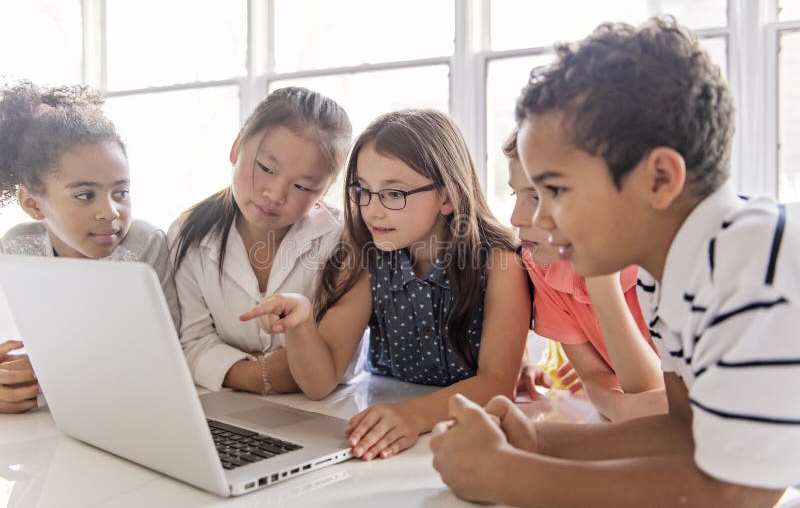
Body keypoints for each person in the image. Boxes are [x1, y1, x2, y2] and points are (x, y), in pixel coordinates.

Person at [431, 16, 798, 506]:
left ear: (660, 178)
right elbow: (685, 430)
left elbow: (739, 492)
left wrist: (506, 476)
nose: (538, 216)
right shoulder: (665, 274)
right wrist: (538, 441)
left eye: (555, 190)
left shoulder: (751, 267)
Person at [241, 109, 530, 461]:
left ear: (447, 198)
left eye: (393, 194)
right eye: (364, 191)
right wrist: (301, 321)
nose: (372, 211)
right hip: (381, 426)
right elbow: (320, 383)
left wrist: (413, 415)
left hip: (466, 436)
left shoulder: (501, 264)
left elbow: (498, 385)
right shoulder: (367, 256)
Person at [0, 81, 178, 413]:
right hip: (46, 415)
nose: (110, 211)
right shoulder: (16, 248)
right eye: (85, 195)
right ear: (33, 204)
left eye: (121, 192)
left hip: (128, 409)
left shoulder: (145, 246)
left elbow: (166, 355)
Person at [168, 86, 358, 395]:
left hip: (328, 411)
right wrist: (264, 375)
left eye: (302, 186)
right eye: (266, 168)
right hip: (228, 403)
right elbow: (193, 345)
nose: (275, 194)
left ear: (324, 191)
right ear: (236, 146)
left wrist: (235, 366)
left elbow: (324, 375)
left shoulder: (344, 241)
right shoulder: (189, 232)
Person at [504, 129, 666, 420]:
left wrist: (601, 278)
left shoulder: (659, 267)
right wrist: (616, 405)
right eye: (517, 194)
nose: (515, 218)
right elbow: (593, 376)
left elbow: (655, 393)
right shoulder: (544, 264)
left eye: (537, 197)